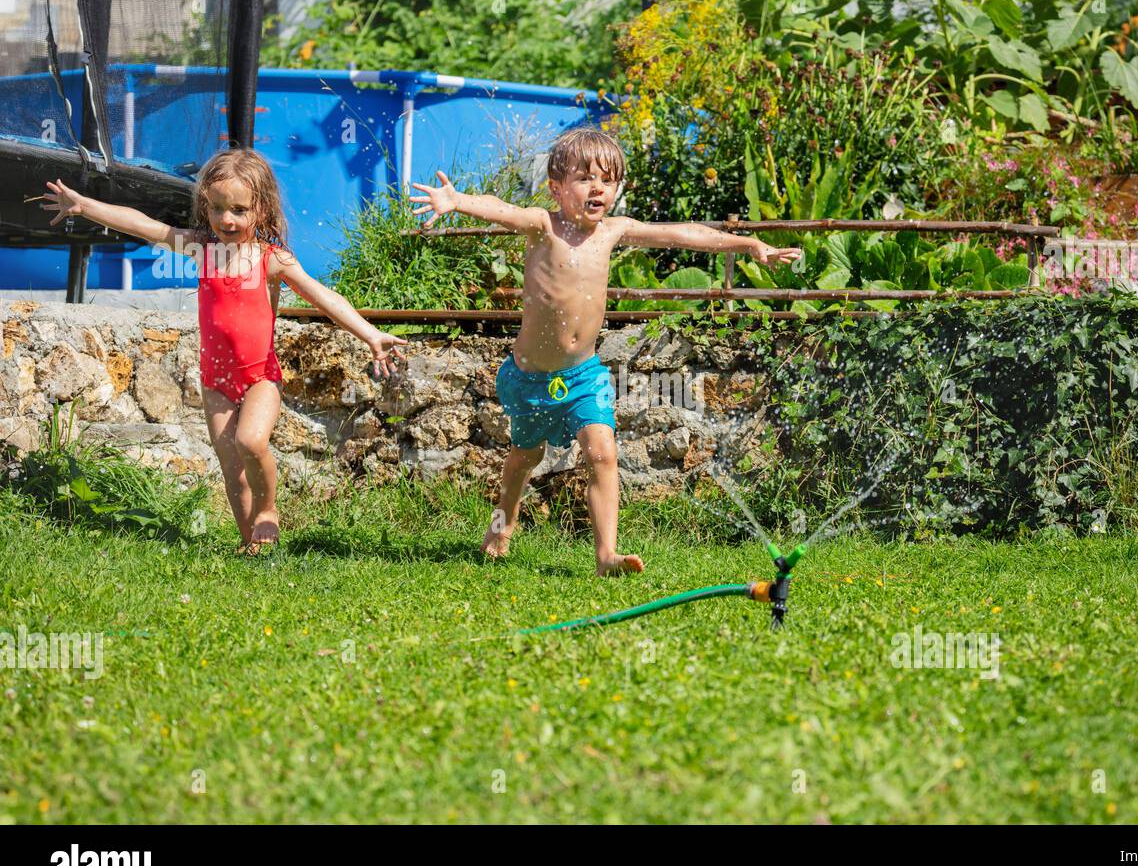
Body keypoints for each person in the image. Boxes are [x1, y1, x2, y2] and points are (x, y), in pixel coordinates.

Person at [410, 127, 800, 576]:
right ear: (557, 188)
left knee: (602, 453)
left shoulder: (614, 231)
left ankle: (606, 555)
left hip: (584, 376)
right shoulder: (543, 226)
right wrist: (457, 201)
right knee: (523, 459)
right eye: (584, 178)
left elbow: (681, 234)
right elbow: (504, 211)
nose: (597, 188)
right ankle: (503, 523)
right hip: (530, 378)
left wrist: (747, 243)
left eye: (608, 180)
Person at [37, 149, 407, 553]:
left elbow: (323, 297)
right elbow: (147, 227)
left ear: (261, 209)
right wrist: (85, 206)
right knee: (232, 468)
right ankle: (252, 545)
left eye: (238, 210)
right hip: (216, 382)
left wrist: (370, 334)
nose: (225, 219)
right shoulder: (203, 250)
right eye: (216, 208)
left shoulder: (271, 260)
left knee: (250, 442)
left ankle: (268, 511)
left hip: (260, 376)